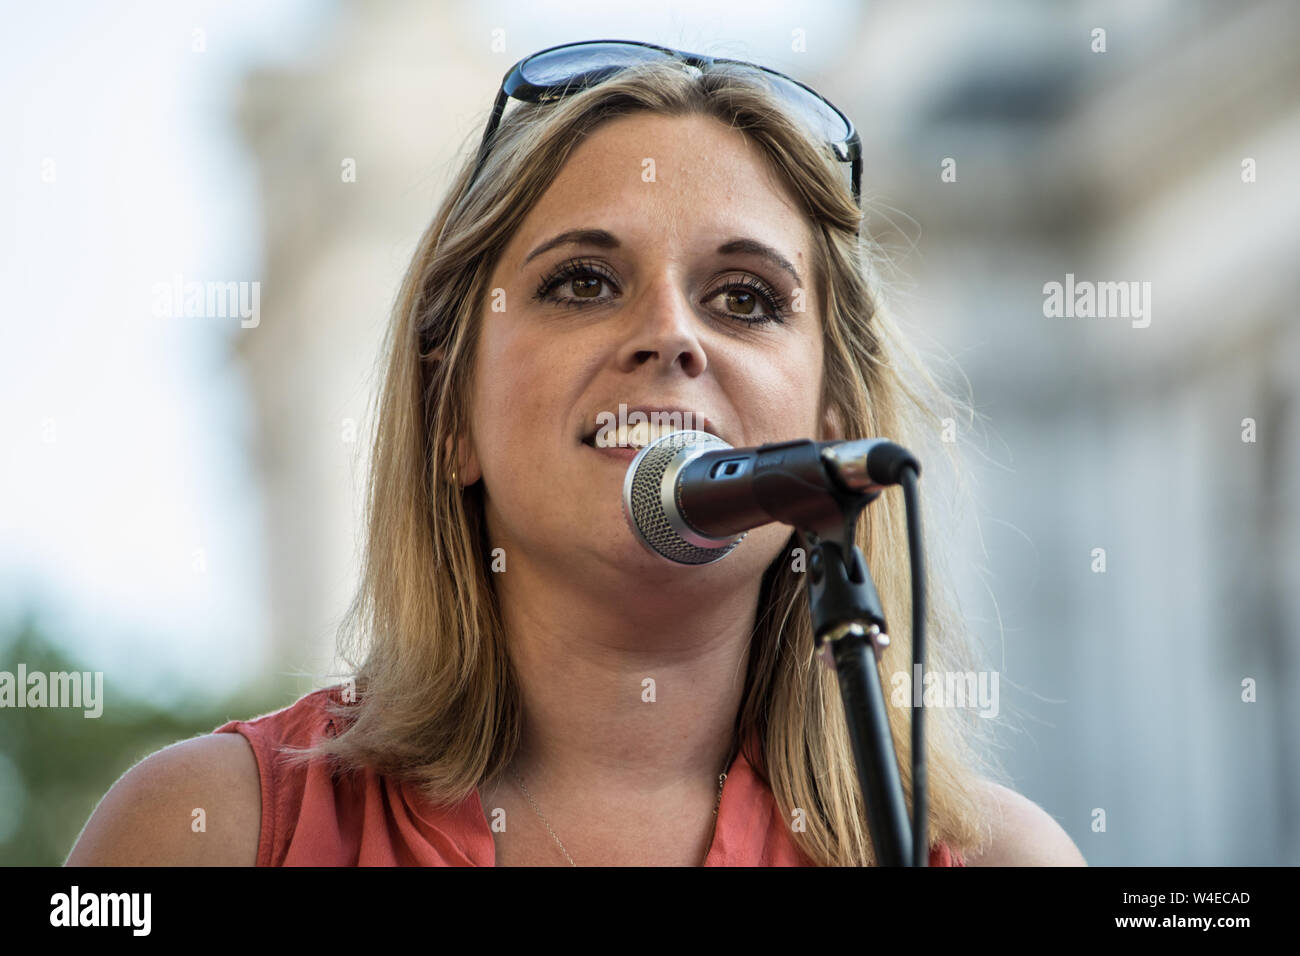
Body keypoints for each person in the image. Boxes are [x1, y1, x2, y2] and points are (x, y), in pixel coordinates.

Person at [67, 40, 1086, 867]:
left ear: (831, 434)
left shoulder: (992, 859)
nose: (673, 334)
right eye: (584, 282)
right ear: (449, 410)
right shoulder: (206, 832)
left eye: (745, 298)